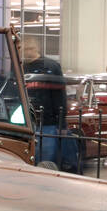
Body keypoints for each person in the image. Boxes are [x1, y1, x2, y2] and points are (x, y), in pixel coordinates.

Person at [21, 37, 67, 166]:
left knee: (45, 162)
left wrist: (62, 124)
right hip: (26, 123)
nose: (26, 52)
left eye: (28, 49)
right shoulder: (21, 67)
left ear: (36, 49)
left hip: (47, 123)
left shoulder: (51, 66)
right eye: (23, 50)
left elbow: (60, 96)